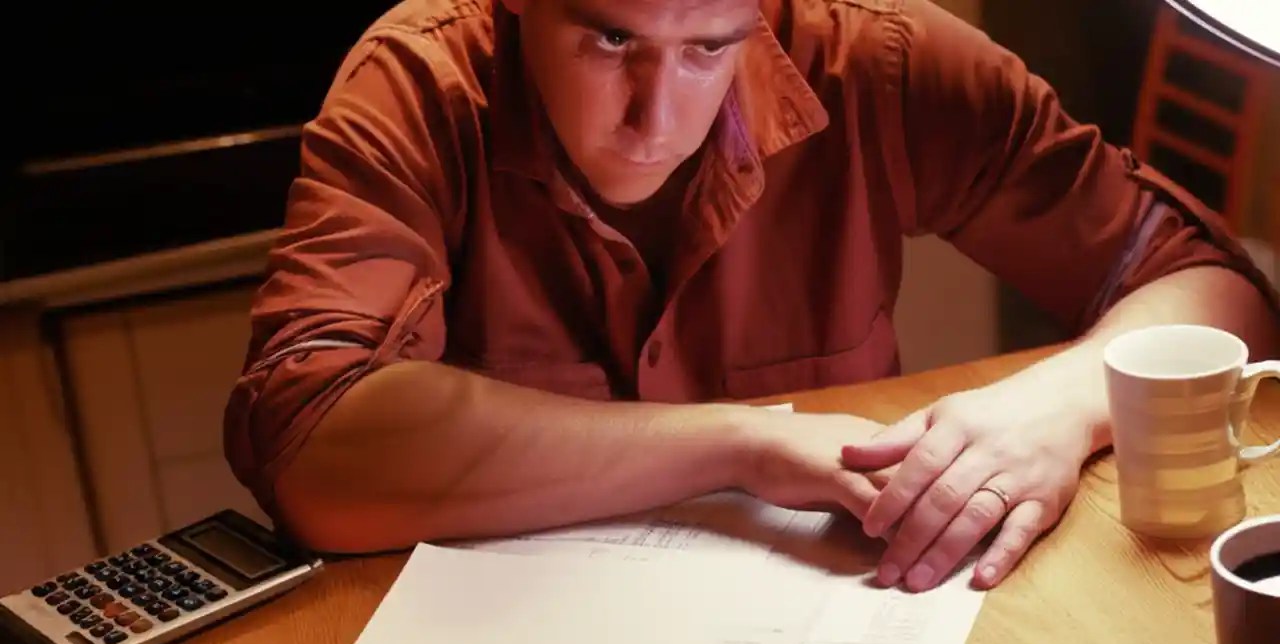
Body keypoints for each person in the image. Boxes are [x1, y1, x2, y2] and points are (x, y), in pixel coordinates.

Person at [223, 0, 1279, 593]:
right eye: (607, 41)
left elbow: (1214, 292)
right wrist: (738, 444)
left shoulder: (877, 60)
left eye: (707, 50)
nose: (653, 117)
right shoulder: (417, 82)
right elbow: (312, 447)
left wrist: (1047, 411)